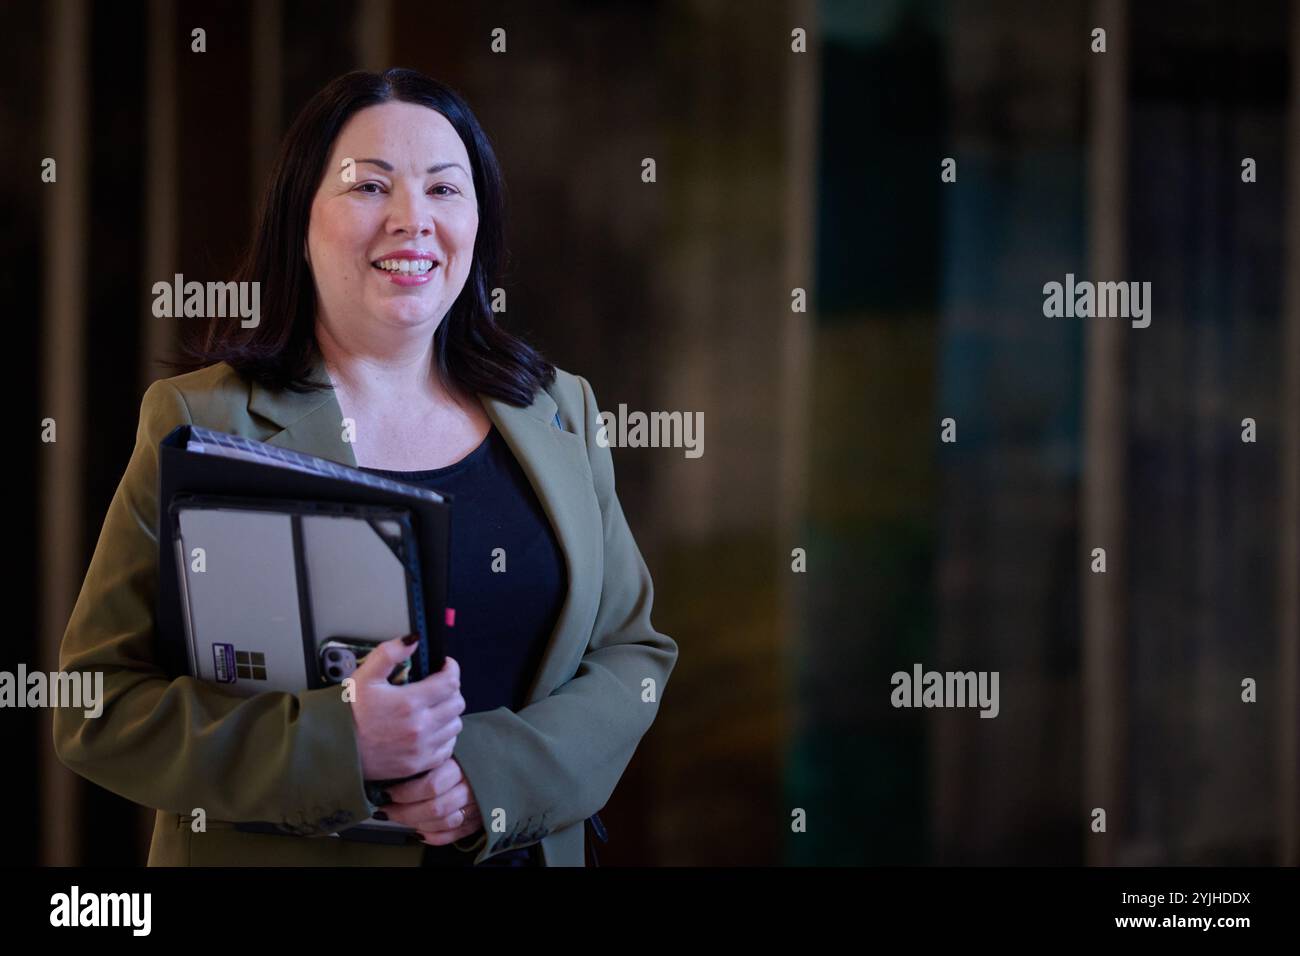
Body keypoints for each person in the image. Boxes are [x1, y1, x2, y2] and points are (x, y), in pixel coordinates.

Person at [53, 67, 678, 867]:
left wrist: (489, 775)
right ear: (299, 220)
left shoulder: (560, 411)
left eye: (445, 190)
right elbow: (96, 709)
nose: (412, 221)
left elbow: (633, 656)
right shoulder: (201, 422)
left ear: (478, 222)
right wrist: (336, 743)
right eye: (370, 186)